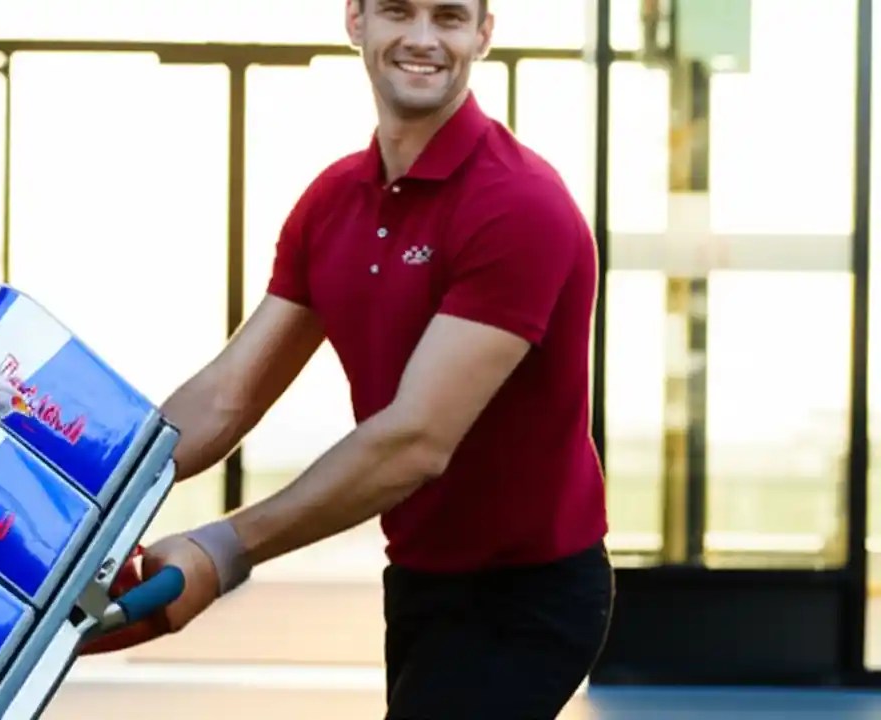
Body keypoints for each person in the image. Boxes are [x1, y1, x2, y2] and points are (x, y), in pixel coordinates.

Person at [84, 0, 614, 717]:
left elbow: (415, 441)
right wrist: (89, 508)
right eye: (399, 11)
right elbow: (230, 394)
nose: (423, 39)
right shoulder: (335, 200)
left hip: (526, 592)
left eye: (450, 17)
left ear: (483, 34)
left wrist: (225, 548)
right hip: (421, 576)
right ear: (356, 20)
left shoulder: (518, 206)